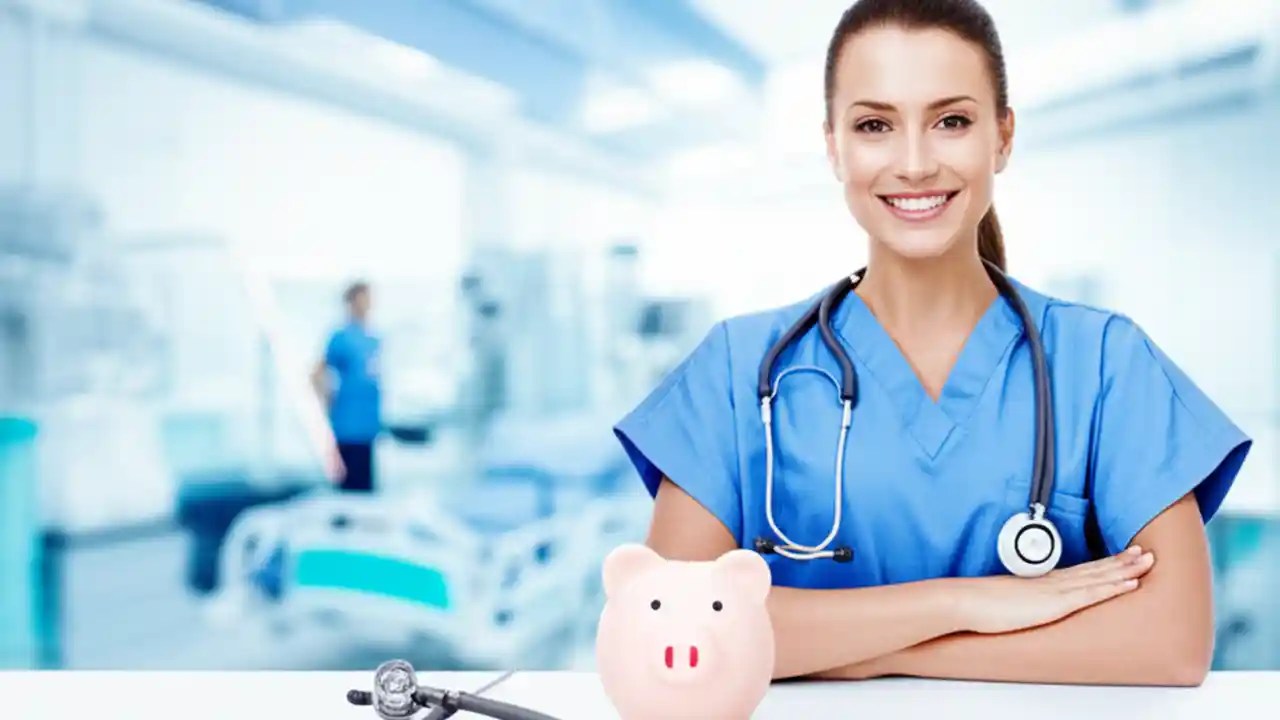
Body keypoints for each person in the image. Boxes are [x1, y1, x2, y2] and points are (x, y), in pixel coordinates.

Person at [612, 0, 1252, 688]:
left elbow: (1173, 642)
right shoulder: (738, 368)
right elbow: (665, 631)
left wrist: (880, 653)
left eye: (951, 121)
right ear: (833, 146)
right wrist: (960, 602)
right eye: (874, 125)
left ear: (1002, 137)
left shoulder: (1104, 363)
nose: (914, 163)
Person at [313, 281, 383, 493]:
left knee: (366, 487)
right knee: (348, 488)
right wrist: (326, 401)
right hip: (347, 426)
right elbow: (318, 372)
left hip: (367, 426)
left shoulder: (373, 338)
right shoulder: (341, 337)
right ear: (351, 302)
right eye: (362, 298)